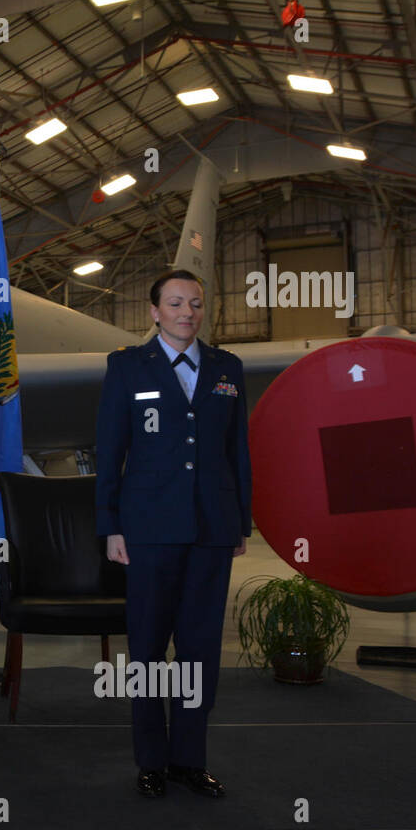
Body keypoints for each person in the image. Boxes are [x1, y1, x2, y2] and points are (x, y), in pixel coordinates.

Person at [94, 268, 252, 799]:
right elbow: (109, 453)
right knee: (147, 648)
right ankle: (150, 761)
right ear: (155, 312)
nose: (188, 312)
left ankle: (188, 759)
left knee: (200, 650)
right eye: (176, 303)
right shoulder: (126, 368)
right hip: (148, 532)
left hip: (211, 530)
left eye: (196, 304)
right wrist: (110, 525)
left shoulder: (228, 369)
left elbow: (239, 455)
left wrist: (240, 522)